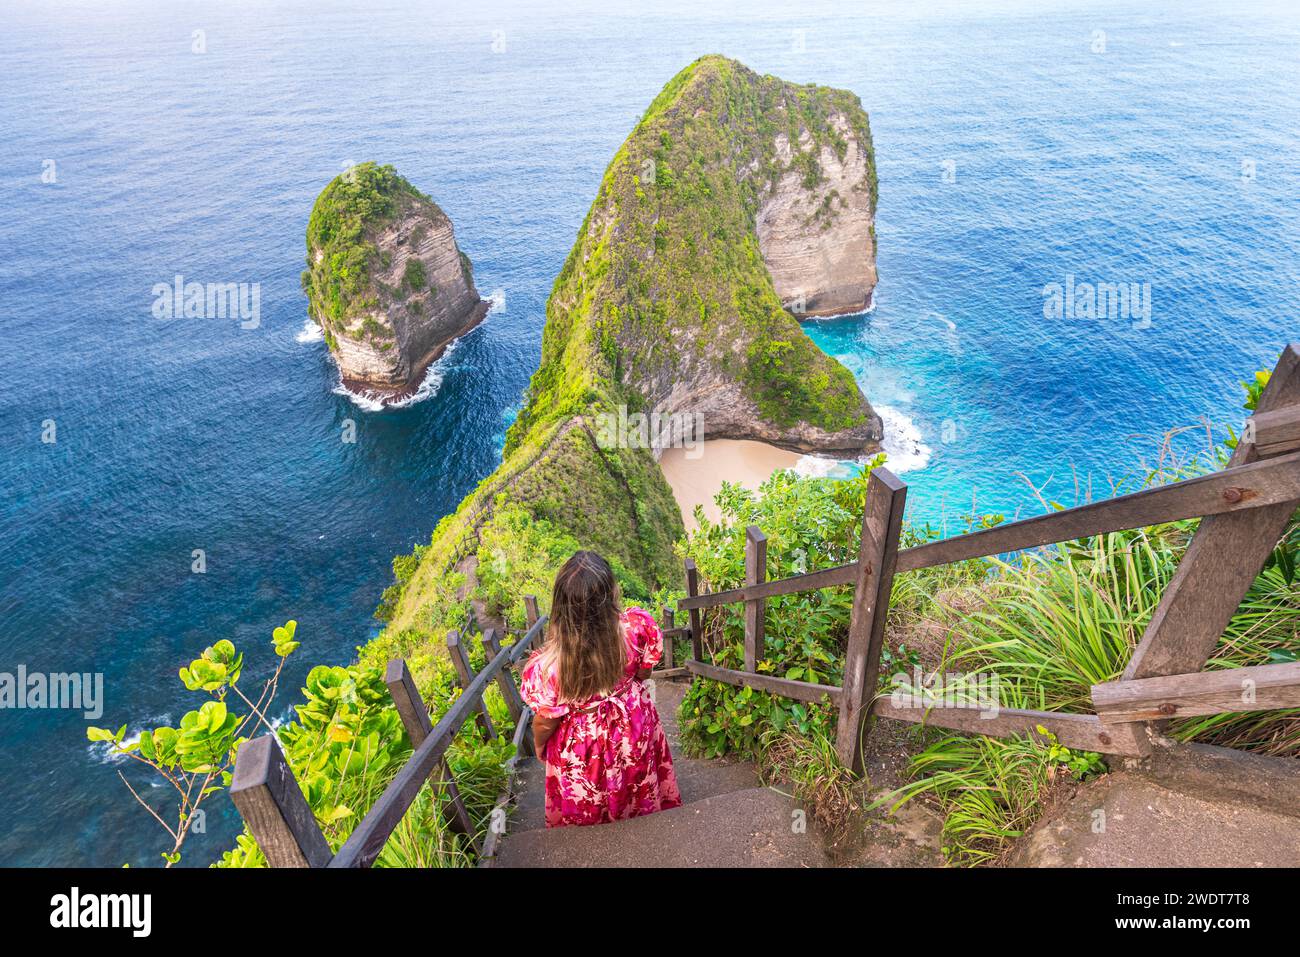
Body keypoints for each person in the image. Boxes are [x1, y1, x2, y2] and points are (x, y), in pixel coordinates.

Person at [519, 550, 682, 827]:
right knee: (637, 777)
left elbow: (546, 720)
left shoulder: (549, 668)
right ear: (611, 594)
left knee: (588, 796)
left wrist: (539, 745)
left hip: (582, 745)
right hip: (633, 724)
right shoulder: (636, 628)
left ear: (560, 606)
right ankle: (646, 825)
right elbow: (645, 672)